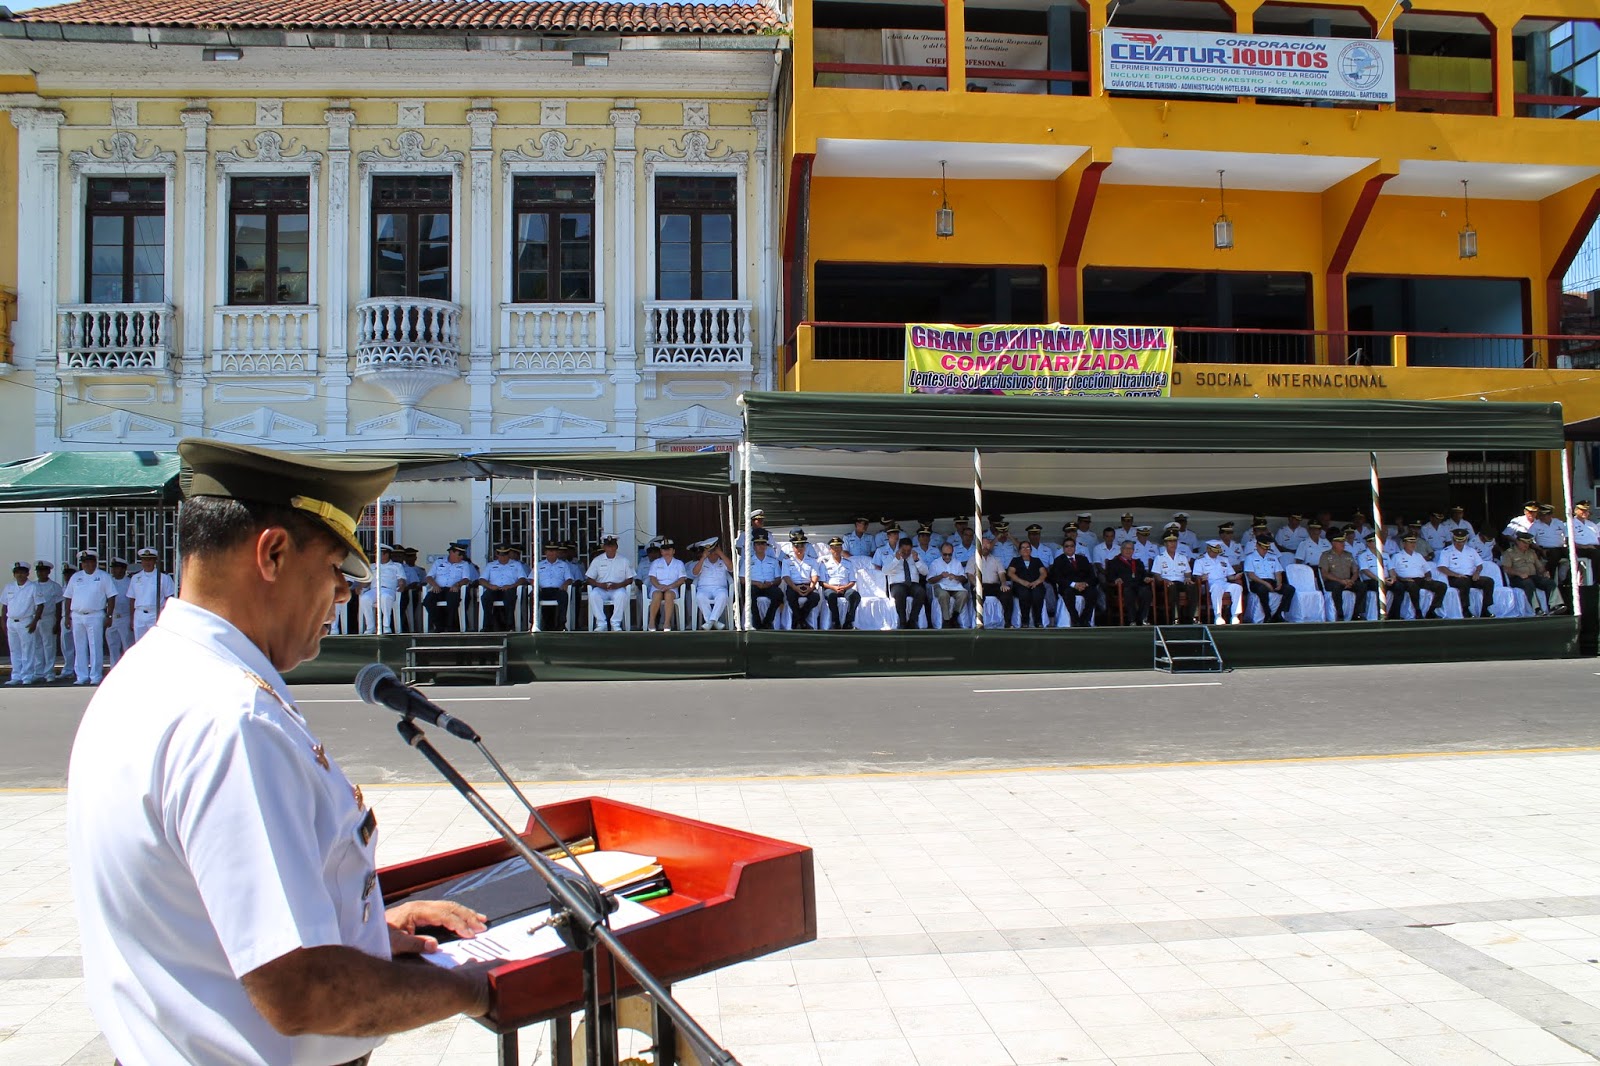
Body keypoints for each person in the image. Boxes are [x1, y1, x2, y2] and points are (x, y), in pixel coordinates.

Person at [67, 439, 493, 1066]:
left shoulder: (152, 672)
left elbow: (206, 920)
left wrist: (367, 937)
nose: (343, 596)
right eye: (336, 571)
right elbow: (302, 993)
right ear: (272, 554)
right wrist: (475, 989)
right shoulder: (232, 719)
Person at [64, 549, 118, 686]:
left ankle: (95, 675)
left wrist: (109, 615)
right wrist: (67, 616)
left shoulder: (103, 576)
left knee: (95, 646)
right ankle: (81, 676)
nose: (87, 565)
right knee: (79, 646)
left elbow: (111, 596)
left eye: (90, 562)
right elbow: (68, 597)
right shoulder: (76, 577)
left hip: (95, 615)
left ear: (95, 562)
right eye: (84, 563)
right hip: (77, 615)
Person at [1437, 528, 1495, 619]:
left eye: (1462, 541)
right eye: (1458, 541)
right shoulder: (1446, 551)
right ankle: (1465, 609)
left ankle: (1485, 609)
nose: (1460, 543)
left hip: (1471, 576)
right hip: (1456, 577)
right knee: (1464, 582)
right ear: (1453, 539)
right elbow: (1442, 567)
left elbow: (1479, 564)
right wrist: (1456, 575)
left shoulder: (1471, 550)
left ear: (1465, 540)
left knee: (1489, 581)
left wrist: (1477, 572)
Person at [1388, 533, 1446, 619]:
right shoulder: (1397, 556)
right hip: (1405, 581)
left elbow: (1427, 569)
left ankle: (1431, 611)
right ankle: (1418, 611)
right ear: (1404, 544)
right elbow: (1393, 572)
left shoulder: (1418, 556)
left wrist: (1428, 577)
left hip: (1420, 579)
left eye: (1414, 542)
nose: (1413, 545)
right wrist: (1403, 579)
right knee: (1413, 586)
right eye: (1410, 542)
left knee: (1442, 586)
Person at [2, 561, 42, 684]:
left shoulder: (33, 587)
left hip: (26, 621)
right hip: (11, 621)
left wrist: (35, 621)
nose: (20, 575)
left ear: (27, 574)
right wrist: (3, 622)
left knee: (27, 650)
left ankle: (27, 676)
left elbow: (40, 605)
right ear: (14, 574)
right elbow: (4, 606)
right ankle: (16, 676)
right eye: (17, 572)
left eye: (22, 572)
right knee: (14, 650)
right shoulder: (9, 587)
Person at [586, 534, 636, 631]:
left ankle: (615, 624)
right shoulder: (597, 560)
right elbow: (589, 578)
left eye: (612, 546)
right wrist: (599, 585)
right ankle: (601, 623)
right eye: (608, 546)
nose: (610, 548)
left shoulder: (624, 561)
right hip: (601, 588)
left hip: (618, 588)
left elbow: (630, 579)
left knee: (621, 595)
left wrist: (618, 585)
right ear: (604, 547)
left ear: (616, 546)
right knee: (594, 595)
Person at [127, 547, 176, 643]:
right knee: (140, 644)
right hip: (139, 614)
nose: (147, 562)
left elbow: (169, 599)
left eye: (150, 559)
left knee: (157, 643)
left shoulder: (163, 577)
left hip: (156, 613)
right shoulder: (135, 578)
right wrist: (132, 618)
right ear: (141, 561)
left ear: (155, 561)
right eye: (145, 560)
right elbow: (132, 599)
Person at [1501, 531, 1556, 615]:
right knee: (1528, 583)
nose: (1526, 545)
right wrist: (1519, 573)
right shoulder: (1509, 553)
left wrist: (1544, 572)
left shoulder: (1531, 552)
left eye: (1528, 543)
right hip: (1517, 578)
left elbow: (1539, 566)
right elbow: (1506, 569)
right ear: (1518, 541)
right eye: (1524, 543)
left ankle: (1554, 606)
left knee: (1549, 582)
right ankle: (1537, 609)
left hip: (1532, 576)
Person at [1048, 535, 1097, 627]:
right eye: (1067, 546)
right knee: (1068, 593)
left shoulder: (1083, 559)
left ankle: (1085, 620)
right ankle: (1076, 620)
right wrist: (1074, 584)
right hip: (1068, 586)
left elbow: (1092, 575)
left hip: (1083, 586)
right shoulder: (1059, 560)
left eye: (1072, 546)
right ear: (1063, 548)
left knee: (1093, 593)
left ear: (1075, 547)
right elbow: (1057, 577)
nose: (1069, 548)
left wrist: (1085, 584)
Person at [1243, 535, 1294, 623]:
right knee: (1262, 589)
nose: (1265, 551)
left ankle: (1278, 613)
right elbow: (1251, 575)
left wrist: (1279, 583)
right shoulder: (1250, 557)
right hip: (1257, 581)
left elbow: (1278, 572)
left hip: (1271, 581)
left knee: (1290, 589)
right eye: (1263, 548)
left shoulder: (1272, 557)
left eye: (1266, 548)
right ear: (1257, 546)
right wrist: (1266, 584)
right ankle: (1267, 615)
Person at [424, 543, 474, 632]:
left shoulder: (464, 564)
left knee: (453, 600)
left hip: (453, 589)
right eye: (459, 554)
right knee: (428, 601)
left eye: (463, 555)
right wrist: (434, 585)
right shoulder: (439, 562)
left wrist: (457, 584)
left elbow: (466, 579)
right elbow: (429, 577)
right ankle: (439, 625)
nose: (461, 557)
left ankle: (450, 626)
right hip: (439, 588)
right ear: (451, 552)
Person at [360, 544, 408, 635]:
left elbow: (401, 579)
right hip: (374, 590)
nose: (377, 556)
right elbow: (367, 581)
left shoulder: (396, 566)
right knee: (364, 599)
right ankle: (370, 627)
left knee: (385, 598)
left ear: (387, 554)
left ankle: (386, 626)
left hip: (388, 590)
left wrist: (401, 585)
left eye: (380, 554)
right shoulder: (372, 566)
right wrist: (360, 587)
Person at [476, 545, 526, 631]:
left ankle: (510, 626)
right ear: (497, 555)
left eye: (505, 555)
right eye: (501, 555)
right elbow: (481, 580)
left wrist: (511, 586)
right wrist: (490, 586)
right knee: (485, 597)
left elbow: (522, 579)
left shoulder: (516, 564)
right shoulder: (490, 565)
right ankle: (487, 626)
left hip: (509, 588)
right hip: (494, 589)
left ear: (508, 554)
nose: (503, 557)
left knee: (509, 598)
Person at [1192, 540, 1242, 625]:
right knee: (1216, 587)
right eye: (1214, 551)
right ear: (1208, 549)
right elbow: (1197, 576)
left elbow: (1230, 576)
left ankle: (1235, 616)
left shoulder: (1223, 559)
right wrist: (1201, 577)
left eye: (1217, 551)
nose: (1216, 554)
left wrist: (1235, 577)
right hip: (1209, 584)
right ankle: (1218, 616)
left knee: (1237, 587)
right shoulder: (1200, 560)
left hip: (1223, 582)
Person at [883, 537, 928, 630]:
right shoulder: (891, 556)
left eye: (909, 550)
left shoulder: (915, 556)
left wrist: (917, 561)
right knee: (899, 592)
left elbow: (925, 572)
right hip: (897, 584)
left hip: (913, 584)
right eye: (904, 551)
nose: (906, 553)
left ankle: (912, 621)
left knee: (921, 592)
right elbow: (884, 571)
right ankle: (902, 622)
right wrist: (896, 560)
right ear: (899, 548)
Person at [1104, 540, 1152, 626]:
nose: (1128, 550)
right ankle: (1132, 620)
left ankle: (1143, 618)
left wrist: (1146, 578)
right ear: (1121, 549)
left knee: (1146, 591)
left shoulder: (1138, 562)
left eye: (1131, 549)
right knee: (1128, 592)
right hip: (1123, 587)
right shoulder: (1113, 562)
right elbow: (1109, 576)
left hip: (1138, 585)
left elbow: (1144, 574)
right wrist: (1116, 579)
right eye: (1126, 548)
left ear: (1133, 551)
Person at [818, 537, 860, 630]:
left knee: (854, 595)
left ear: (841, 548)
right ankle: (835, 621)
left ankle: (848, 622)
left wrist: (844, 588)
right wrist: (834, 588)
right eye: (834, 548)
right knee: (831, 596)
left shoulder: (848, 563)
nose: (836, 550)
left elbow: (852, 581)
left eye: (838, 547)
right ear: (830, 549)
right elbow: (822, 582)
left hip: (845, 588)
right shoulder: (824, 563)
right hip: (830, 588)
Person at [1150, 532, 1193, 624]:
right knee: (1172, 587)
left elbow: (1187, 573)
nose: (1173, 544)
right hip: (1166, 583)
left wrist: (1188, 578)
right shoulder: (1159, 558)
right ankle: (1175, 618)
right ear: (1165, 544)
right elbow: (1156, 574)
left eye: (1174, 542)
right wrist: (1164, 580)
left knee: (1192, 586)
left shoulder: (1182, 557)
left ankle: (1193, 617)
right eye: (1170, 542)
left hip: (1180, 581)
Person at [1318, 534, 1364, 621]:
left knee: (1362, 586)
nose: (1343, 544)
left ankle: (1356, 613)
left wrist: (1351, 581)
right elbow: (1324, 573)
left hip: (1348, 581)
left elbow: (1355, 571)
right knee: (1337, 587)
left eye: (1343, 542)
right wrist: (1340, 581)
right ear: (1333, 543)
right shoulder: (1326, 555)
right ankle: (1340, 614)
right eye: (1340, 542)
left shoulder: (1348, 555)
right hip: (1332, 582)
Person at [646, 539, 688, 631]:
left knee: (669, 595)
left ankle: (667, 622)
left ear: (673, 551)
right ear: (661, 551)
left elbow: (681, 579)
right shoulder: (656, 563)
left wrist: (669, 586)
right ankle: (652, 621)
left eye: (669, 549)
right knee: (657, 594)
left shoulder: (679, 563)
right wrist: (659, 586)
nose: (667, 552)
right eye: (664, 550)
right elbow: (652, 578)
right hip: (657, 587)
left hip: (672, 588)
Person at [782, 535, 823, 630]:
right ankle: (802, 622)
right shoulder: (787, 561)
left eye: (802, 546)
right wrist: (795, 588)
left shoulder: (812, 561)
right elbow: (786, 577)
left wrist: (811, 588)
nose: (799, 549)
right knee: (791, 596)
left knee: (815, 597)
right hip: (793, 585)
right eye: (797, 546)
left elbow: (815, 576)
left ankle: (798, 619)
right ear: (793, 548)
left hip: (808, 585)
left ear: (805, 547)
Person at [927, 540, 970, 628]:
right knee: (943, 595)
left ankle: (954, 617)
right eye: (945, 554)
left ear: (952, 553)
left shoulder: (957, 563)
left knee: (964, 594)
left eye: (949, 554)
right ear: (941, 553)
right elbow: (930, 580)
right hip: (940, 586)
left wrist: (956, 577)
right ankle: (946, 620)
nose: (947, 557)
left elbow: (964, 578)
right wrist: (941, 576)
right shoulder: (935, 563)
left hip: (955, 587)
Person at [691, 538, 733, 630]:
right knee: (700, 597)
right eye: (710, 553)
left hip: (720, 589)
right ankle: (714, 621)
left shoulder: (722, 562)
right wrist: (703, 557)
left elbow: (731, 568)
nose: (712, 556)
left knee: (723, 596)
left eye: (715, 553)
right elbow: (695, 573)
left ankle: (710, 621)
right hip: (704, 589)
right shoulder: (702, 562)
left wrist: (721, 553)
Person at [745, 531, 783, 630]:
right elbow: (742, 579)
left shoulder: (773, 561)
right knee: (750, 594)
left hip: (769, 586)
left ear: (766, 546)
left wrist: (771, 583)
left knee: (778, 594)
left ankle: (767, 622)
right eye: (758, 544)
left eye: (763, 543)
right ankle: (756, 622)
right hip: (754, 586)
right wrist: (756, 583)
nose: (761, 546)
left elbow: (778, 579)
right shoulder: (748, 561)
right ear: (754, 546)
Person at [1006, 540, 1048, 628]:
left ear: (1031, 550)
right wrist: (1022, 582)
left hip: (1036, 585)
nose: (1025, 549)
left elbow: (1043, 573)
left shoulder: (1036, 560)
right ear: (1019, 550)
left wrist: (1037, 582)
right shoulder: (1015, 560)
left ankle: (1038, 621)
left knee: (1037, 594)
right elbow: (1010, 573)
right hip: (1020, 585)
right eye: (1023, 548)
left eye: (1028, 547)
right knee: (1024, 594)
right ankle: (1025, 621)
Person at [32, 560, 63, 681]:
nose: (41, 573)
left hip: (48, 617)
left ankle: (49, 672)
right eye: (39, 571)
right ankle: (38, 672)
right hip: (34, 618)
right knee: (37, 646)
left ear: (49, 572)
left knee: (49, 646)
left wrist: (57, 622)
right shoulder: (32, 586)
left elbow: (58, 606)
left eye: (44, 571)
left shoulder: (55, 586)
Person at [535, 543, 575, 631]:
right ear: (545, 552)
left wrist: (565, 584)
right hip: (543, 590)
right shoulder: (539, 565)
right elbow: (531, 579)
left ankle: (561, 624)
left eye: (553, 551)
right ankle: (534, 623)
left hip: (557, 590)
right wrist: (535, 586)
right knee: (532, 595)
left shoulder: (564, 565)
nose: (551, 553)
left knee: (564, 595)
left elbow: (569, 579)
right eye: (549, 551)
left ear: (557, 552)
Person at [105, 557, 135, 667]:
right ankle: (114, 668)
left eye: (116, 568)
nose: (113, 570)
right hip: (112, 617)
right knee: (112, 645)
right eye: (113, 568)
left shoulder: (129, 582)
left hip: (125, 616)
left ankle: (129, 668)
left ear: (123, 569)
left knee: (127, 645)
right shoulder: (109, 581)